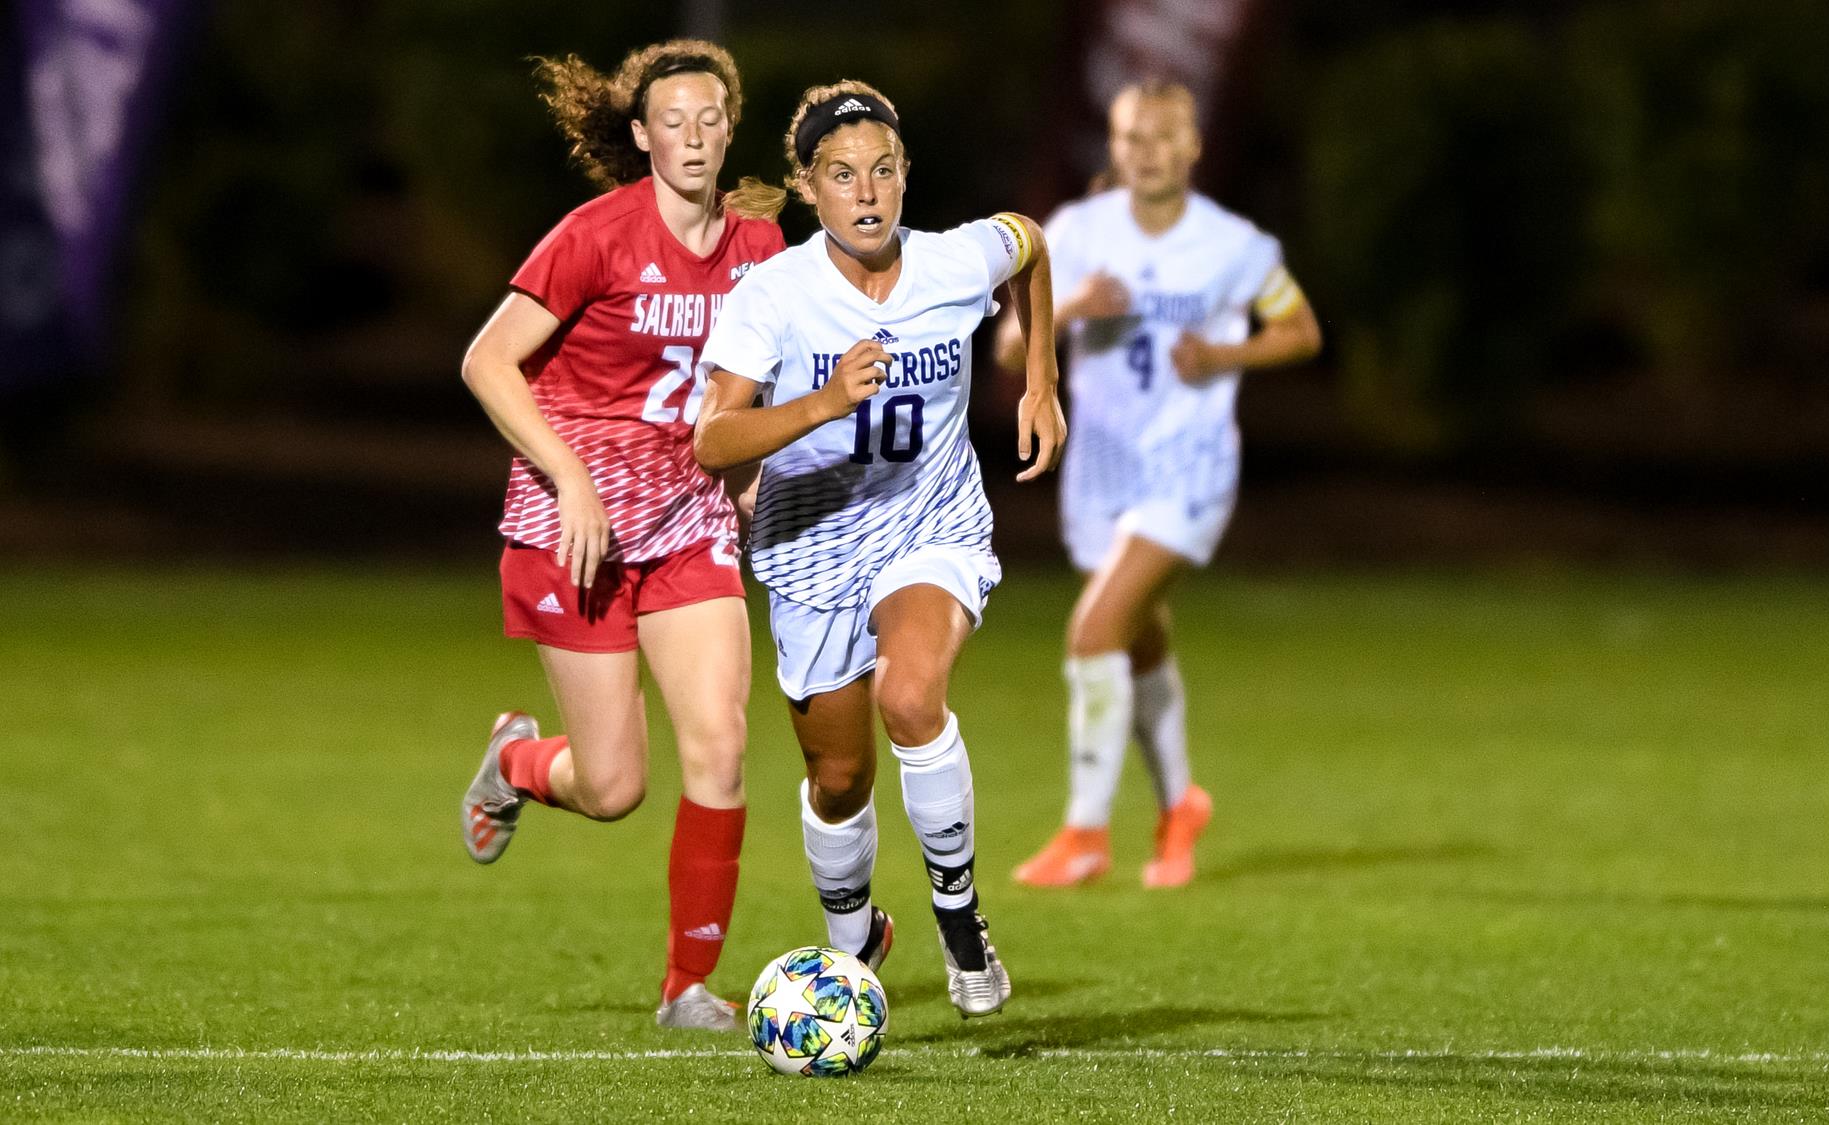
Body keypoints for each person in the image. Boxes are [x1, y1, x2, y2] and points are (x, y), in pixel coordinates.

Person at [692, 80, 1065, 1018]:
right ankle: (853, 939)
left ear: (906, 180)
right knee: (837, 777)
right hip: (811, 545)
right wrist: (821, 401)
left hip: (928, 523)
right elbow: (712, 439)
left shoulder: (951, 262)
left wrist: (1042, 380)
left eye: (884, 171)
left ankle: (960, 918)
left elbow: (1031, 240)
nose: (867, 193)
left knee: (911, 696)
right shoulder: (772, 295)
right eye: (843, 175)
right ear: (809, 189)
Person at [456, 39, 788, 1032]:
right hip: (577, 527)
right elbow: (486, 363)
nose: (691, 137)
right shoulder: (593, 235)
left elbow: (742, 389)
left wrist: (752, 481)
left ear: (728, 129)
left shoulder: (761, 248)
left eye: (708, 119)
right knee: (611, 790)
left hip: (687, 518)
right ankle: (517, 764)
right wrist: (568, 477)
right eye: (671, 121)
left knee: (721, 742)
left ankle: (688, 987)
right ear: (641, 136)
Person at [998, 80, 1322, 889]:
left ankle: (1084, 832)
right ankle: (1181, 805)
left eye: (1162, 137)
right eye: (1131, 137)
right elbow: (1009, 347)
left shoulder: (1233, 246)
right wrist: (1069, 306)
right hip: (1101, 472)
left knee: (1094, 632)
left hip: (1189, 467)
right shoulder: (1076, 232)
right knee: (1138, 638)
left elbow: (1301, 330)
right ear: (1116, 145)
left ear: (1192, 146)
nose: (1146, 152)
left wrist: (1224, 356)